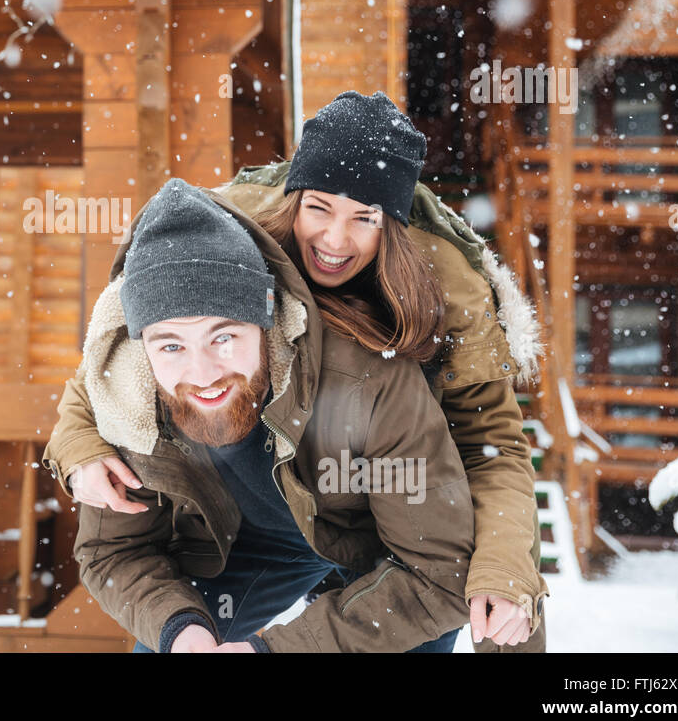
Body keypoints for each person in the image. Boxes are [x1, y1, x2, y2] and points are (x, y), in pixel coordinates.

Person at [45, 90, 548, 650]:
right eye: (319, 208)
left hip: (399, 519)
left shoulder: (441, 307)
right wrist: (79, 449)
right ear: (294, 200)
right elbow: (110, 371)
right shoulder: (228, 254)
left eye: (365, 217)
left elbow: (492, 448)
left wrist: (503, 566)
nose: (335, 239)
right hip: (270, 520)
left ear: (393, 226)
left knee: (495, 616)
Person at [69, 176, 474, 651]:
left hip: (380, 544)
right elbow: (113, 552)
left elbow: (440, 575)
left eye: (224, 337)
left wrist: (274, 651)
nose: (201, 374)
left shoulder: (369, 381)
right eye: (172, 345)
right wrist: (180, 628)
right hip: (257, 548)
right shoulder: (130, 396)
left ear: (266, 323)